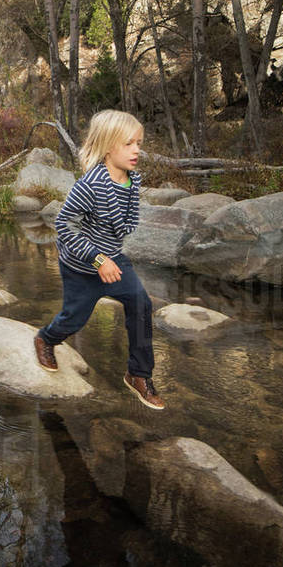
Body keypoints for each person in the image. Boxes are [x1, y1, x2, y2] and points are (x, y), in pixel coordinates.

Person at [33, 110, 165, 410]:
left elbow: (123, 224)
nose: (136, 150)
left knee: (141, 303)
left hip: (114, 258)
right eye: (128, 144)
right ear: (108, 146)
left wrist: (108, 258)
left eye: (139, 143)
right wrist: (97, 259)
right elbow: (63, 225)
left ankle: (138, 374)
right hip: (82, 265)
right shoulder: (89, 186)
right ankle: (45, 339)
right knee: (74, 319)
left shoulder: (131, 182)